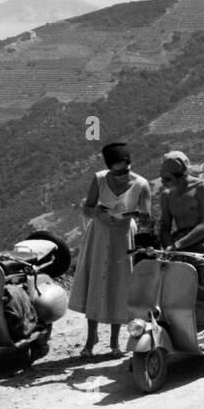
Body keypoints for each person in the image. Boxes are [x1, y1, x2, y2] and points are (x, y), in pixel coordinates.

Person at [153, 151, 204, 381]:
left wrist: (178, 244)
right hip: (179, 250)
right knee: (164, 296)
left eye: (167, 178)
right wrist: (168, 245)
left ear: (182, 174)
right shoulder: (167, 194)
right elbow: (164, 225)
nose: (163, 182)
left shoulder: (202, 188)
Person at [69, 141, 151, 357]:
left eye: (125, 171)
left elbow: (148, 218)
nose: (122, 176)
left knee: (119, 284)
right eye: (116, 173)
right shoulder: (99, 179)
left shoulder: (141, 184)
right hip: (100, 234)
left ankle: (114, 342)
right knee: (96, 281)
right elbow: (87, 209)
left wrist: (135, 214)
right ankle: (90, 339)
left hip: (124, 236)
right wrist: (98, 212)